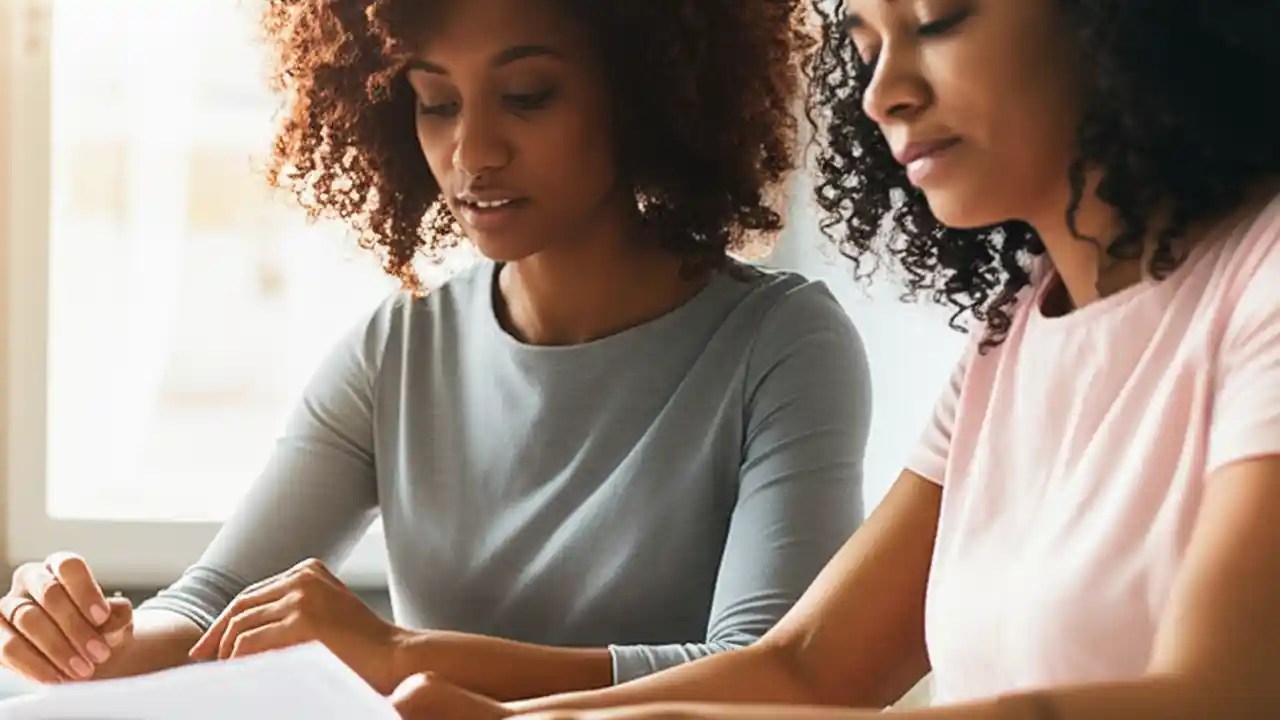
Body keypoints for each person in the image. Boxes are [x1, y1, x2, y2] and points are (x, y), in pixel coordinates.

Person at [386, 0, 1280, 717]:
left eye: (935, 23)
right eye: (865, 42)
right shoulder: (1013, 330)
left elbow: (1216, 698)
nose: (883, 93)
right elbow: (812, 668)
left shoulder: (1263, 279)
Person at [0, 0, 873, 702]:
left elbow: (765, 679)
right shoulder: (398, 348)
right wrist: (87, 643)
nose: (472, 153)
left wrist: (400, 657)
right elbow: (209, 604)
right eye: (436, 102)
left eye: (528, 96)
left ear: (645, 92)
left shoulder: (782, 345)